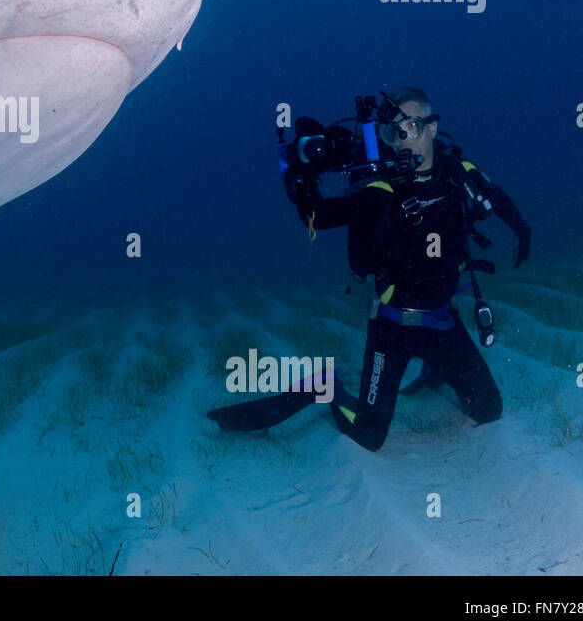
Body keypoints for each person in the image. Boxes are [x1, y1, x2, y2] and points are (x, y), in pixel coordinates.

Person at [211, 87, 531, 451]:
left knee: (489, 410)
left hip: (444, 322)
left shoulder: (458, 173)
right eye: (390, 132)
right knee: (368, 436)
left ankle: (436, 368)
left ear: (432, 127)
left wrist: (523, 230)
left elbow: (499, 197)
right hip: (391, 329)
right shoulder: (382, 187)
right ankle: (327, 387)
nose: (400, 140)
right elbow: (322, 215)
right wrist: (298, 180)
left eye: (408, 127)